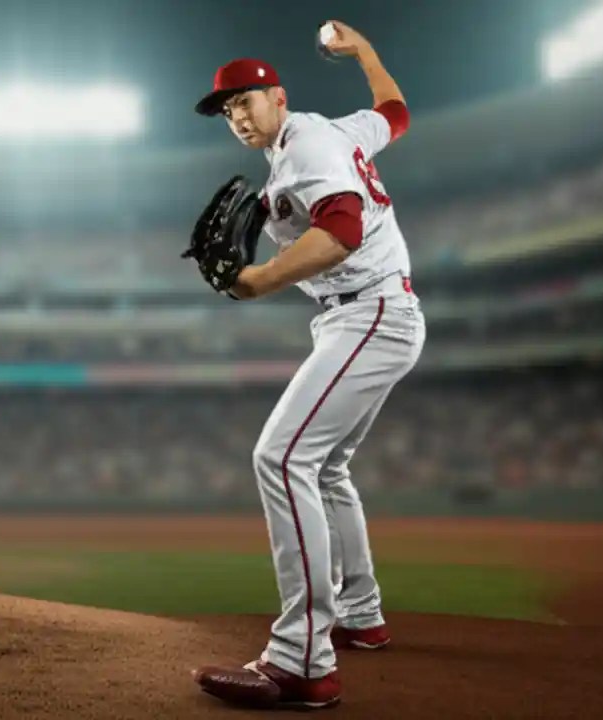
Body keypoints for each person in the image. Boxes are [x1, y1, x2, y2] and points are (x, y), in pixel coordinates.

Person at [188, 21, 425, 709]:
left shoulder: (307, 144)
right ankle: (361, 614)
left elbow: (343, 231)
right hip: (370, 313)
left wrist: (258, 281)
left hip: (369, 311)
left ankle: (301, 661)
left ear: (279, 98)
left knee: (281, 457)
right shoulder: (337, 131)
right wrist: (368, 54)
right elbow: (396, 115)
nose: (236, 115)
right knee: (327, 468)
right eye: (226, 108)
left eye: (245, 101)